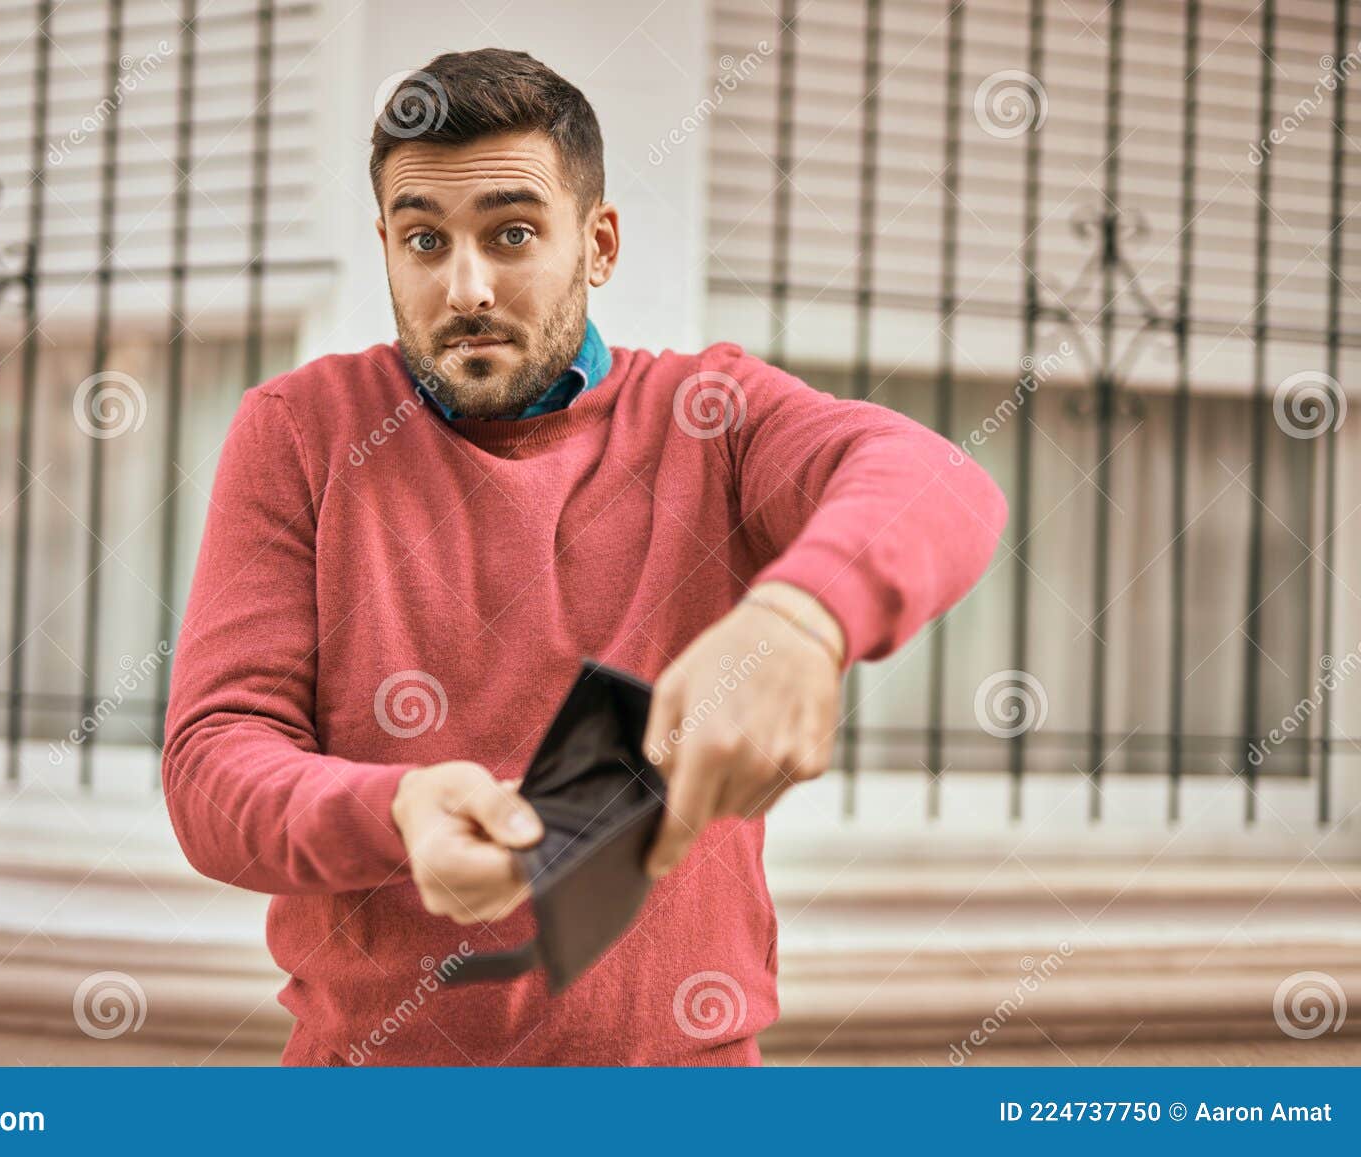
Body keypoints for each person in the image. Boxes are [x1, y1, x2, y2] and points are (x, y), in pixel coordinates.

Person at [161, 47, 1007, 1066]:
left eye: (511, 233)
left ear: (597, 244)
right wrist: (393, 807)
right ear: (384, 245)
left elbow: (931, 478)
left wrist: (804, 616)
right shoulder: (300, 429)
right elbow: (213, 764)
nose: (464, 285)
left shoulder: (713, 416)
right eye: (424, 240)